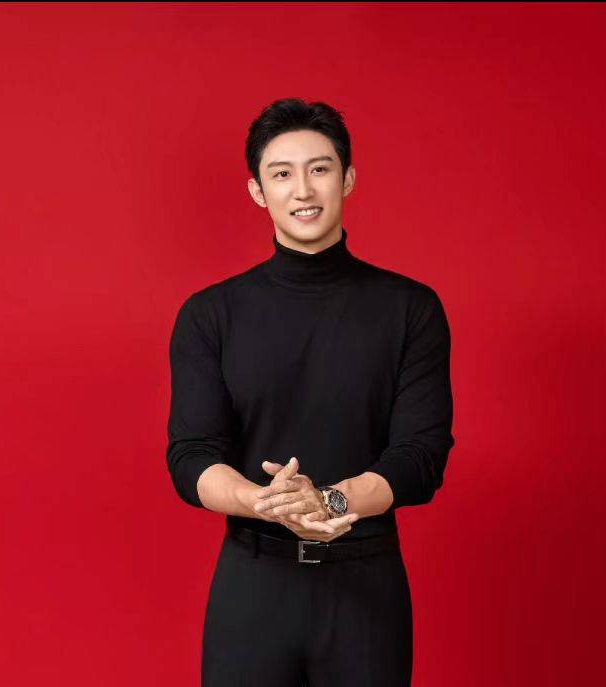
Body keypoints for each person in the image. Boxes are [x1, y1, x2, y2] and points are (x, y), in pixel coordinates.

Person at [166, 97, 455, 686]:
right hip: (253, 588)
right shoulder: (211, 315)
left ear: (347, 178)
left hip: (366, 589)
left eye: (319, 169)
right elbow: (191, 455)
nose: (303, 190)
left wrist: (333, 502)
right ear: (257, 191)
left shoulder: (410, 309)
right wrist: (264, 502)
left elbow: (421, 458)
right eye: (282, 174)